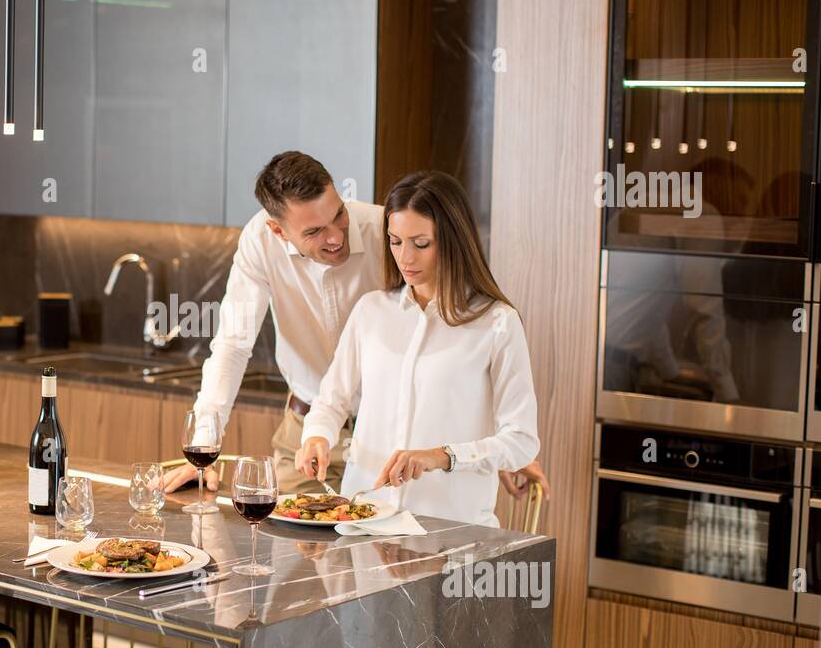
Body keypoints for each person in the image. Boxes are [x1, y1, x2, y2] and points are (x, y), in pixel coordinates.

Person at [162, 151, 549, 502]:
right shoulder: (263, 246)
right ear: (279, 232)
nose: (335, 237)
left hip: (402, 444)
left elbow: (462, 336)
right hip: (311, 426)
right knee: (294, 561)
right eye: (313, 232)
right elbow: (232, 346)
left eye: (338, 216)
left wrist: (493, 452)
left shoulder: (391, 229)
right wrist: (203, 448)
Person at [295, 170, 541, 527]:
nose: (405, 257)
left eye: (420, 243)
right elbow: (332, 400)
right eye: (395, 241)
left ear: (453, 240)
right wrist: (316, 435)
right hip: (365, 522)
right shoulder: (371, 311)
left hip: (451, 531)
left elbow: (521, 441)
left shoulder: (497, 323)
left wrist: (443, 456)